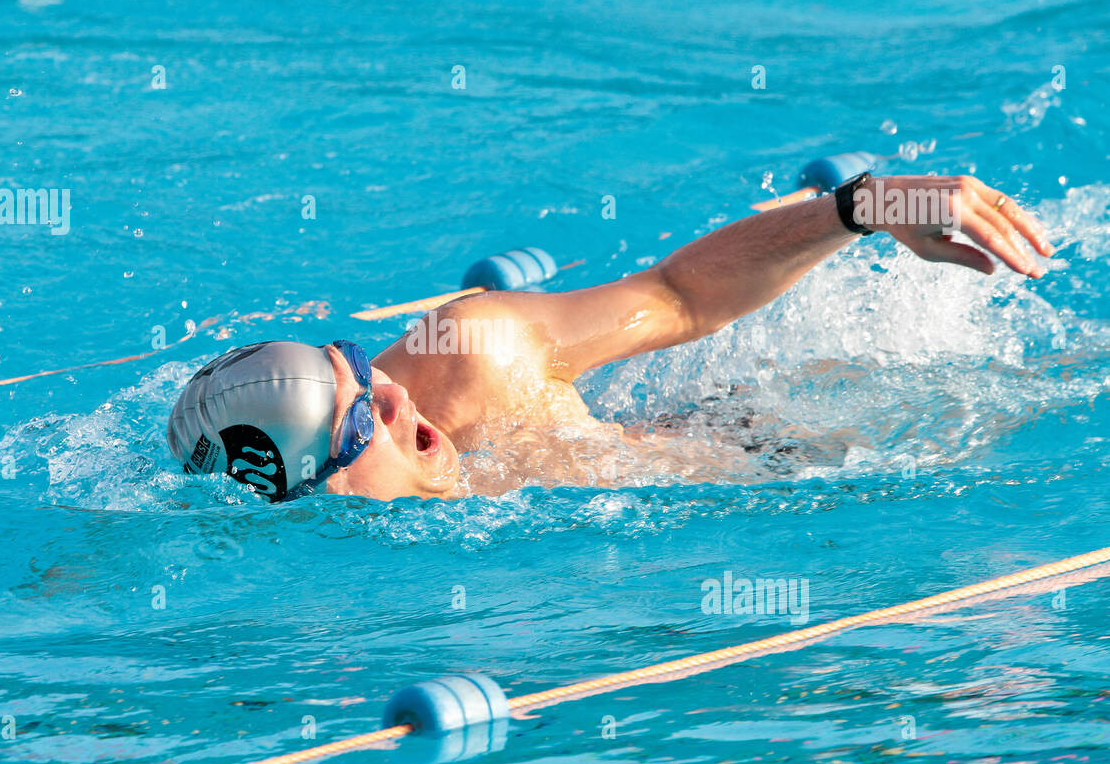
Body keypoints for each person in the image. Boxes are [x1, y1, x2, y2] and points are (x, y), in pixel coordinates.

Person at [166, 174, 1053, 502]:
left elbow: (673, 297)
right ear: (298, 493)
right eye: (361, 425)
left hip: (771, 447)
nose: (394, 394)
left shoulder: (473, 357)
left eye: (356, 369)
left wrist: (870, 206)